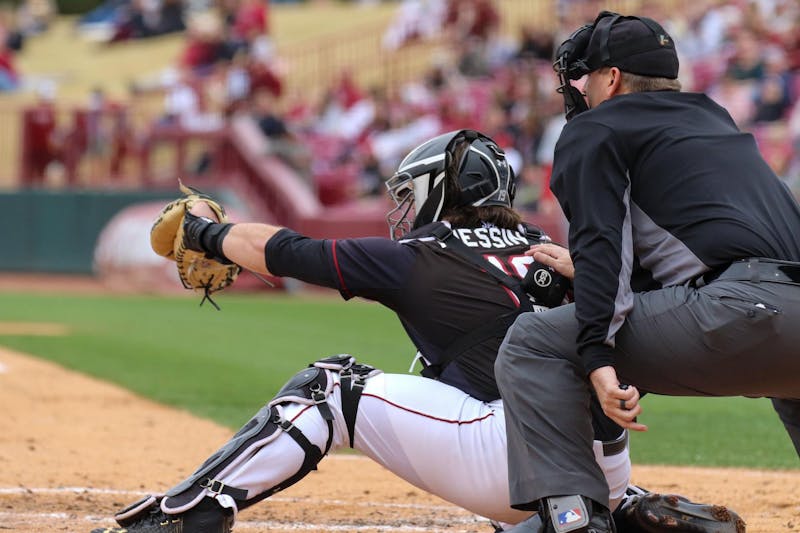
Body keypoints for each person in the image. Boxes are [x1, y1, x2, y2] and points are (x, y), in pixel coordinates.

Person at [90, 130, 734, 533]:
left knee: (329, 387)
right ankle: (619, 509)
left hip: (510, 462)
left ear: (438, 192)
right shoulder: (548, 245)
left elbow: (287, 250)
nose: (403, 207)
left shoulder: (422, 253)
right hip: (603, 461)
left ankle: (185, 517)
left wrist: (204, 233)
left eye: (410, 193)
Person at [495, 11, 800, 533]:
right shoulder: (713, 117)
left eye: (585, 76)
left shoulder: (595, 127)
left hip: (739, 314)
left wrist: (596, 352)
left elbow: (601, 242)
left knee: (533, 344)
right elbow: (702, 247)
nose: (580, 89)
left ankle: (575, 520)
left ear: (611, 78)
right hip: (781, 309)